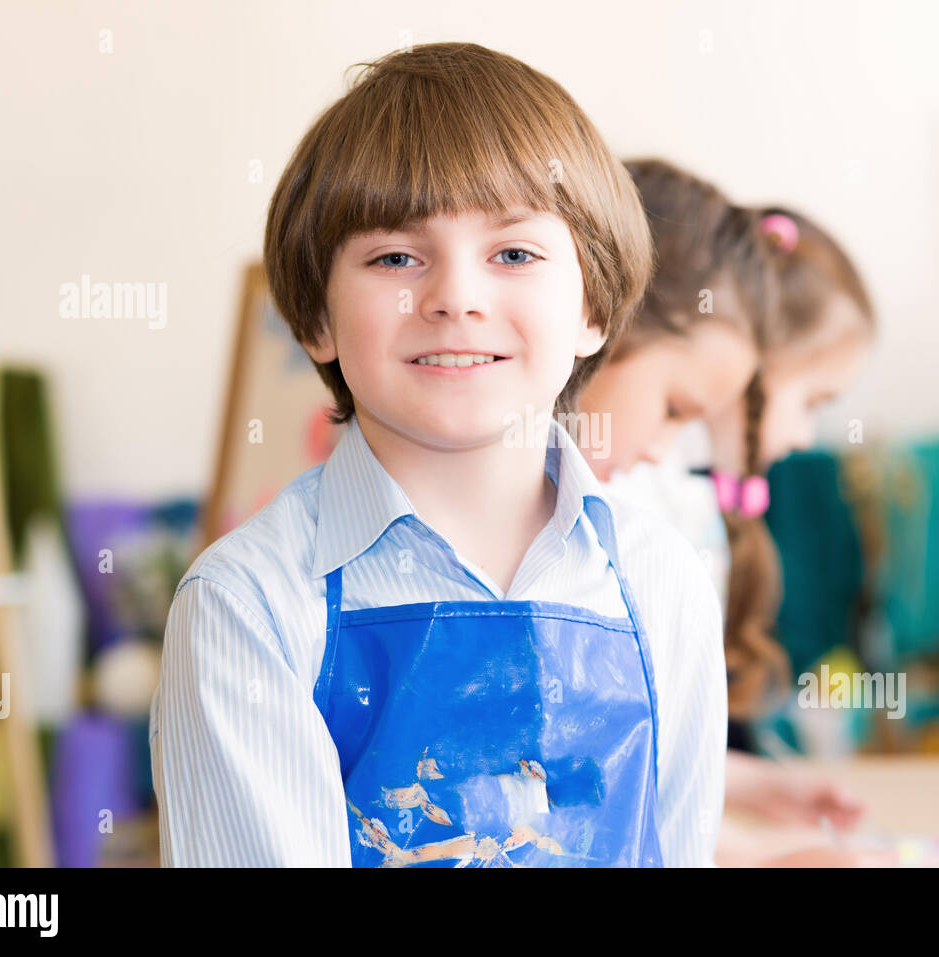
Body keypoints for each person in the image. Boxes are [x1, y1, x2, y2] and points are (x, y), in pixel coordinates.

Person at [150, 43, 727, 866]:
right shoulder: (248, 607)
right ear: (315, 318)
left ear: (593, 305)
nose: (456, 296)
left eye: (514, 254)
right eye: (395, 257)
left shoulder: (664, 584)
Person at [580, 171, 877, 865]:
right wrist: (747, 849)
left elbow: (630, 752)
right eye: (811, 398)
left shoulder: (650, 479)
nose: (804, 436)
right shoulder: (622, 494)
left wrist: (752, 801)